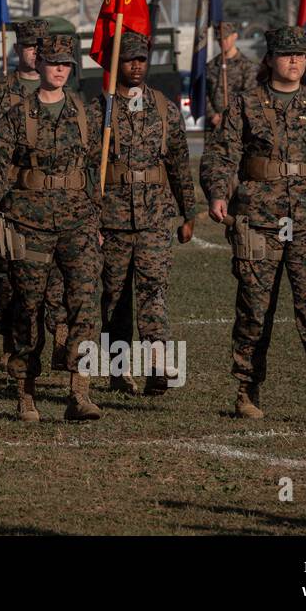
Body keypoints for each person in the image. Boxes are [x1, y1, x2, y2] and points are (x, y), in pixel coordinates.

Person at [200, 25, 306, 424]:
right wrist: (218, 193)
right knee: (255, 308)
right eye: (286, 54)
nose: (294, 61)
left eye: (300, 55)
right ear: (270, 59)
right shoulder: (246, 104)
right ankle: (247, 388)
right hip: (259, 218)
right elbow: (221, 154)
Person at [0, 34, 102, 423]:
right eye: (53, 62)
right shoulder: (17, 115)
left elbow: (95, 170)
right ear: (38, 66)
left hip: (78, 221)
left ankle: (79, 391)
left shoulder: (86, 113)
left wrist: (97, 216)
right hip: (28, 221)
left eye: (66, 63)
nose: (60, 69)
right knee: (28, 307)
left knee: (85, 304)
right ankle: (26, 393)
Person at [86, 30, 195, 395]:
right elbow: (86, 168)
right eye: (129, 59)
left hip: (154, 218)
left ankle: (157, 364)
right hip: (112, 219)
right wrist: (90, 217)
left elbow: (180, 162)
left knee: (154, 291)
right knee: (114, 297)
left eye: (142, 60)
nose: (136, 66)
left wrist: (188, 211)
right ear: (117, 63)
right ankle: (118, 372)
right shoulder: (98, 110)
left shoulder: (163, 108)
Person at [0, 19, 48, 369]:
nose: (36, 52)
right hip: (9, 201)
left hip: (52, 204)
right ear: (18, 50)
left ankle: (49, 347)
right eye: (30, 46)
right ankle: (11, 344)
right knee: (7, 281)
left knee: (55, 283)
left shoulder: (62, 95)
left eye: (41, 46)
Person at [205, 21, 258, 134]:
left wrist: (233, 116)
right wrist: (212, 115)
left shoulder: (247, 66)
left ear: (235, 36)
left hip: (238, 126)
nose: (222, 42)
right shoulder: (211, 66)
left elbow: (250, 95)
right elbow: (203, 94)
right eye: (219, 39)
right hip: (214, 127)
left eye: (225, 38)